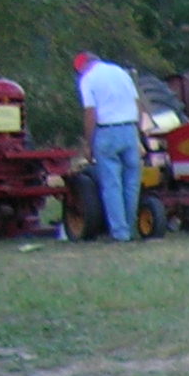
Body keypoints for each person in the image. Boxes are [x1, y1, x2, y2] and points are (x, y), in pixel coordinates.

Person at [74, 51, 142, 242]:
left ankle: (120, 232)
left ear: (83, 67)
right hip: (129, 129)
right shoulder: (121, 72)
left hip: (107, 132)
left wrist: (88, 143)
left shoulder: (88, 79)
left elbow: (90, 113)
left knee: (112, 184)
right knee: (131, 183)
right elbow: (137, 102)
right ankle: (130, 227)